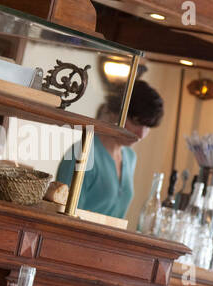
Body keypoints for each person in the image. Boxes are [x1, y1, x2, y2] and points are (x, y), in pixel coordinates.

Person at [55, 78, 164, 218]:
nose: (141, 134)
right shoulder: (82, 152)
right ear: (116, 112)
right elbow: (63, 215)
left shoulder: (130, 158)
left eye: (148, 126)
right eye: (136, 122)